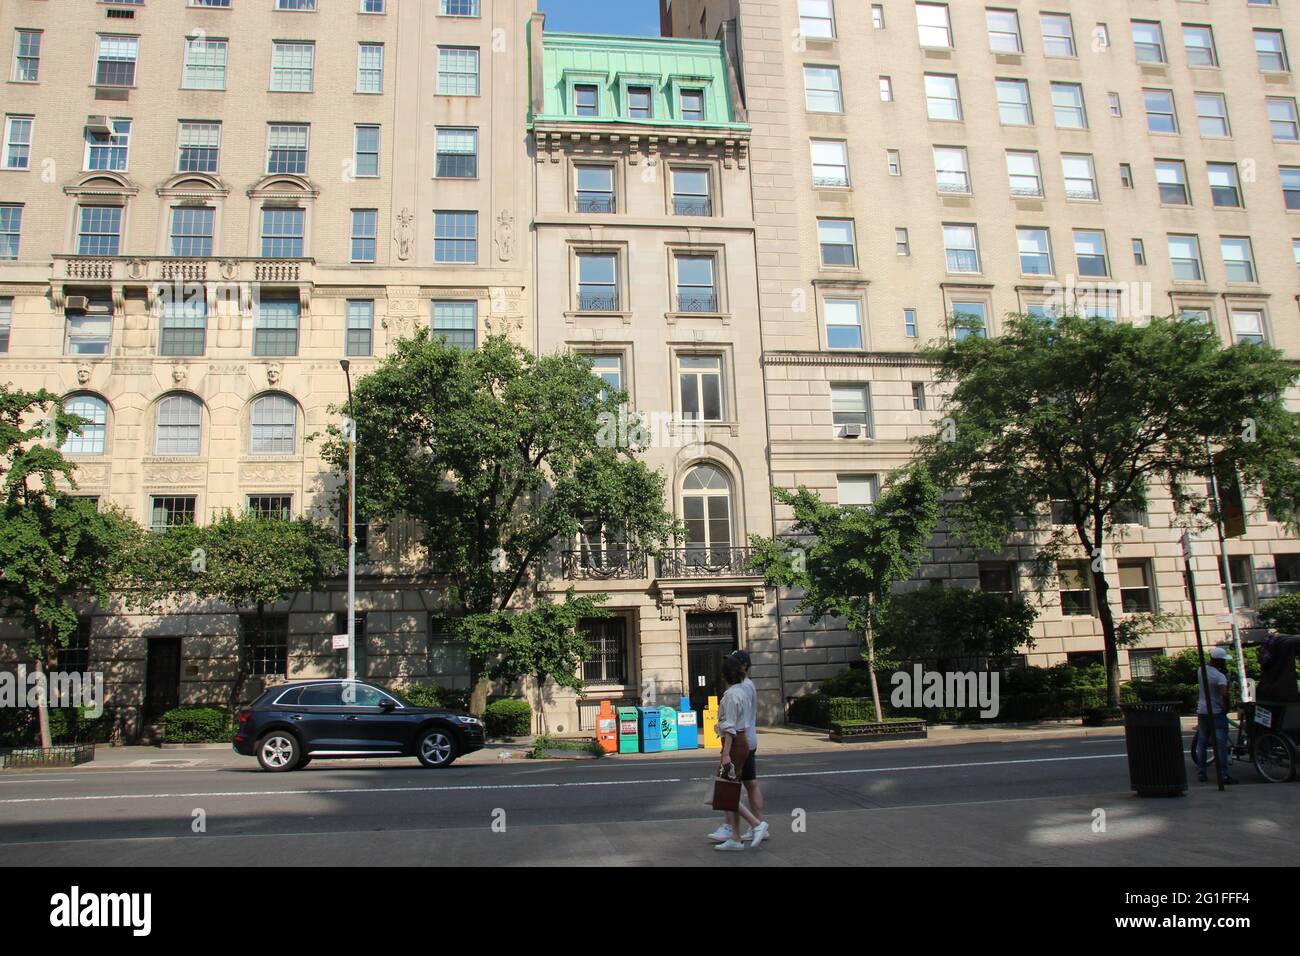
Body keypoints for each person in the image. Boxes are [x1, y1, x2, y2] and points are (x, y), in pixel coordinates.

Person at [709, 657, 763, 851]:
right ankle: (736, 836)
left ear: (725, 675)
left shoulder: (731, 695)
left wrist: (725, 753)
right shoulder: (743, 691)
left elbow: (730, 727)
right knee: (729, 789)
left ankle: (756, 824)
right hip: (742, 742)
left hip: (735, 744)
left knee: (725, 790)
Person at [728, 650, 767, 846]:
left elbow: (734, 721)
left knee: (728, 786)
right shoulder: (748, 685)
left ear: (743, 666)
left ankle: (738, 828)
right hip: (749, 740)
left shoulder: (741, 688)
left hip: (741, 742)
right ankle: (756, 824)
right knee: (750, 783)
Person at [1195, 647, 1238, 785]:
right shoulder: (1219, 677)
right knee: (1220, 744)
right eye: (1223, 661)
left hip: (1202, 710)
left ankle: (1202, 772)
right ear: (1219, 661)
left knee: (1202, 742)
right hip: (1216, 712)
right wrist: (1226, 707)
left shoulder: (1201, 670)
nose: (1225, 663)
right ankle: (1224, 775)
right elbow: (1224, 694)